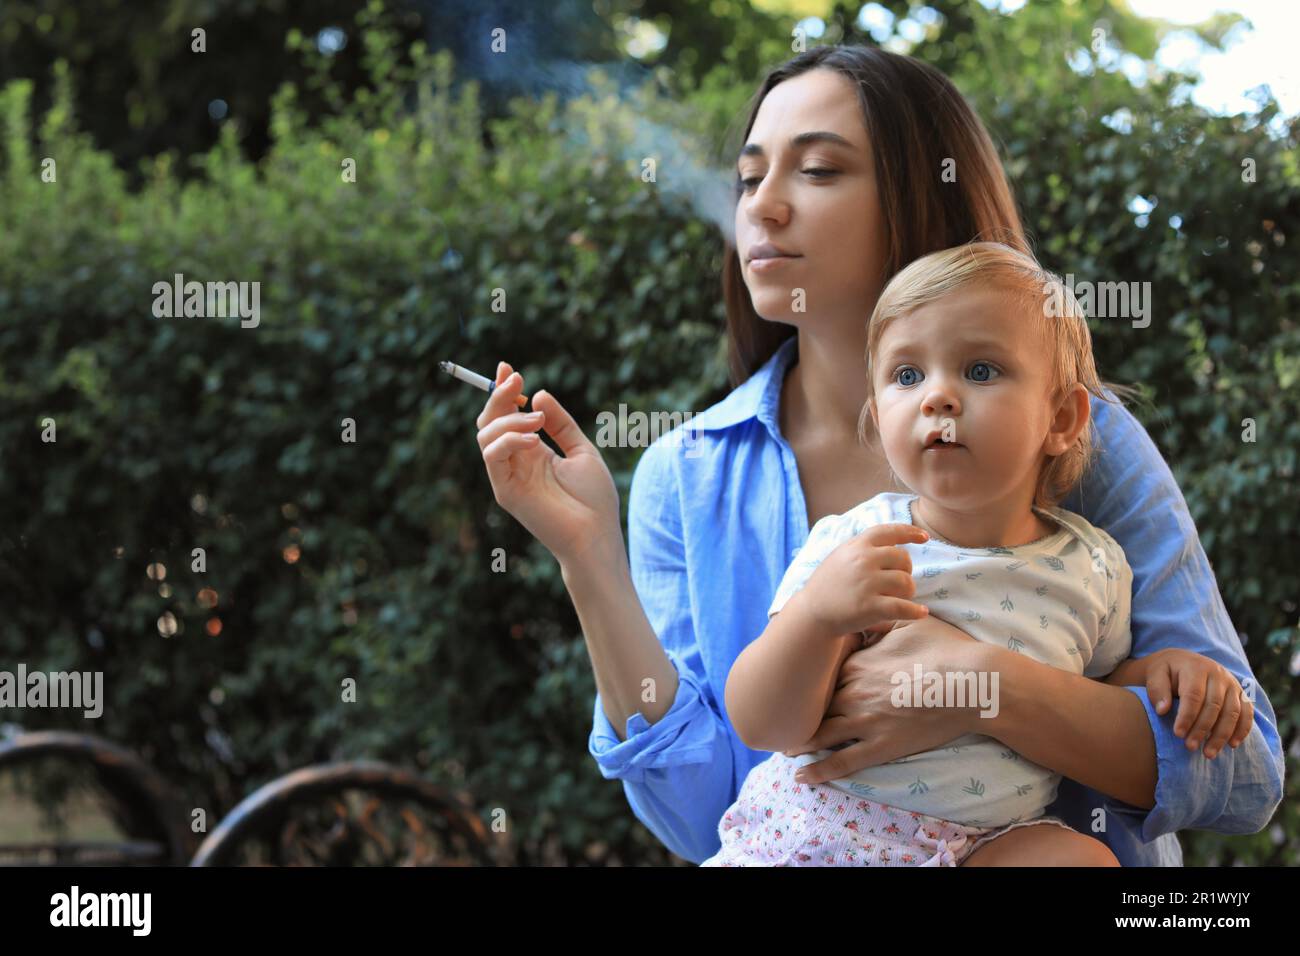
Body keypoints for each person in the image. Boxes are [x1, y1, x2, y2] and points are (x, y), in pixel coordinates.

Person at [473, 45, 1284, 865]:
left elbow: (1244, 772)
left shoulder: (1074, 436)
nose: (764, 207)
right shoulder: (685, 475)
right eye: (750, 178)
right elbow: (703, 816)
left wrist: (980, 686)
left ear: (921, 193)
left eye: (818, 171)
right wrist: (587, 556)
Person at [701, 242, 1255, 866]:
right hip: (818, 832)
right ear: (879, 412)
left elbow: (1094, 686)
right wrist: (815, 617)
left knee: (1087, 863)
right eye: (907, 376)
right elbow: (762, 724)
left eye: (981, 370)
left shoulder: (1093, 566)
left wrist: (1167, 673)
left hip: (977, 846)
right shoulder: (857, 543)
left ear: (1063, 416)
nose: (937, 397)